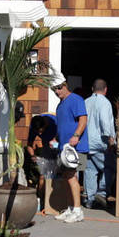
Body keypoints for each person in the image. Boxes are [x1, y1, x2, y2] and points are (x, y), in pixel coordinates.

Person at [50, 77, 89, 223]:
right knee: (67, 177)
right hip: (64, 147)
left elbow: (83, 120)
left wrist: (76, 136)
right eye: (54, 89)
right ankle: (71, 208)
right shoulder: (60, 106)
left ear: (65, 85)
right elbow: (62, 126)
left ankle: (78, 211)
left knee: (72, 177)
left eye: (59, 88)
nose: (56, 91)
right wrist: (56, 139)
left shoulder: (76, 99)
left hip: (76, 146)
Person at [83, 78, 116, 209]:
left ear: (92, 89)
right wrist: (110, 139)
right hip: (100, 142)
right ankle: (101, 193)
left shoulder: (86, 102)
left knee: (90, 170)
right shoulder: (105, 103)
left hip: (86, 142)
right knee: (110, 167)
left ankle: (90, 200)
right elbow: (104, 121)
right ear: (106, 89)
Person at [27, 113, 59, 216]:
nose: (40, 133)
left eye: (42, 130)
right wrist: (33, 156)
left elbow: (66, 133)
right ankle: (41, 201)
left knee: (59, 176)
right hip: (46, 148)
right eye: (38, 132)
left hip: (60, 146)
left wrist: (56, 140)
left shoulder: (55, 122)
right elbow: (29, 144)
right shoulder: (34, 126)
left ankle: (59, 202)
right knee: (42, 176)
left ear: (45, 124)